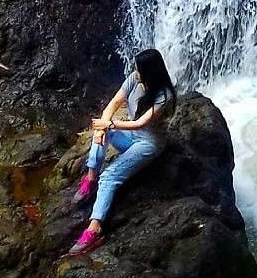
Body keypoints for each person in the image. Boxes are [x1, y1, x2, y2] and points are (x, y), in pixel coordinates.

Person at [67, 48, 177, 256]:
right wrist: (103, 127)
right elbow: (114, 103)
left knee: (110, 176)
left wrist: (108, 125)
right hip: (129, 134)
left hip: (149, 143)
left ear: (150, 71)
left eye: (139, 68)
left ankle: (95, 228)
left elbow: (139, 123)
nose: (135, 71)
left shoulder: (164, 95)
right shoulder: (134, 79)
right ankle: (91, 177)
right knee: (101, 129)